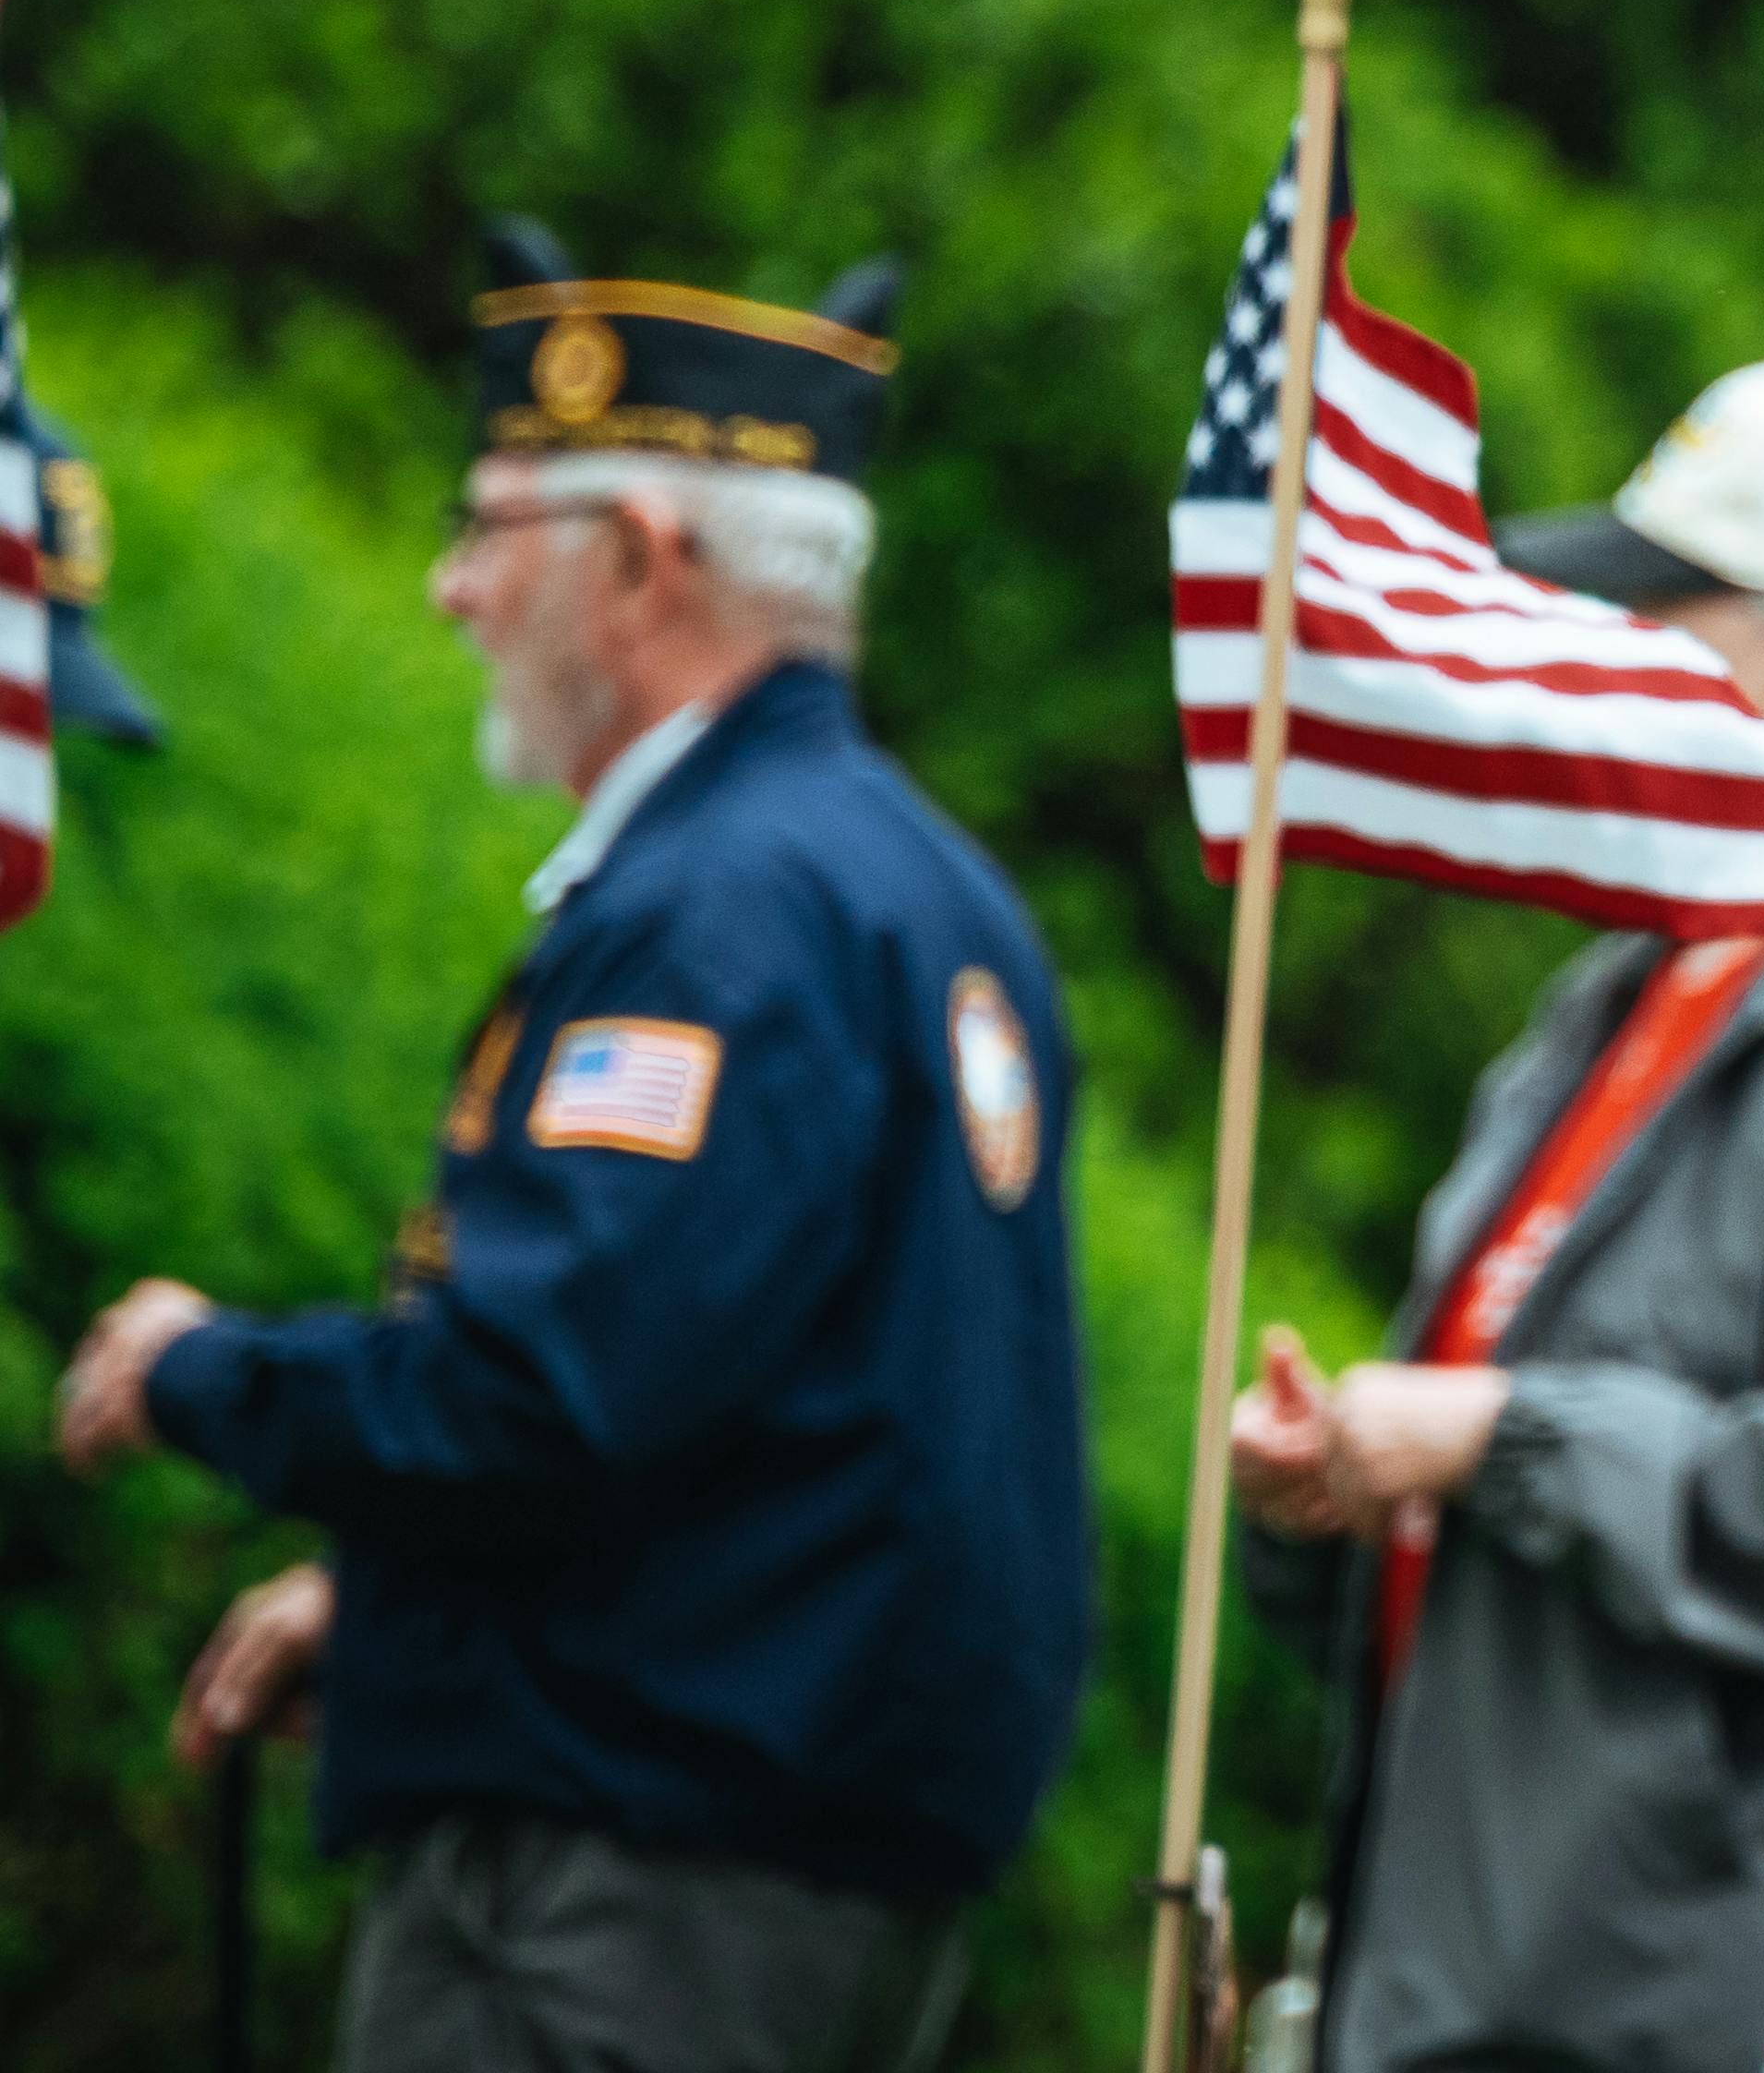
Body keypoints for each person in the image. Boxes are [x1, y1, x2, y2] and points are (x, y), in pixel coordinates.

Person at [48, 226, 1087, 2073]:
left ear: (637, 560)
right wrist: (398, 1619)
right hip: (780, 1876)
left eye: (492, 523)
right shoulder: (927, 892)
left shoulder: (720, 911)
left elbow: (543, 1393)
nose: (453, 589)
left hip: (632, 1896)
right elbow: (758, 1433)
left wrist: (201, 1372)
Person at [1228, 349, 1764, 2073]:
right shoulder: (1612, 993)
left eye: (1657, 615)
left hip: (1665, 2011)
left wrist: (1502, 1438)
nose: (1582, 658)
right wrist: (1332, 1494)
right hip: (1441, 1984)